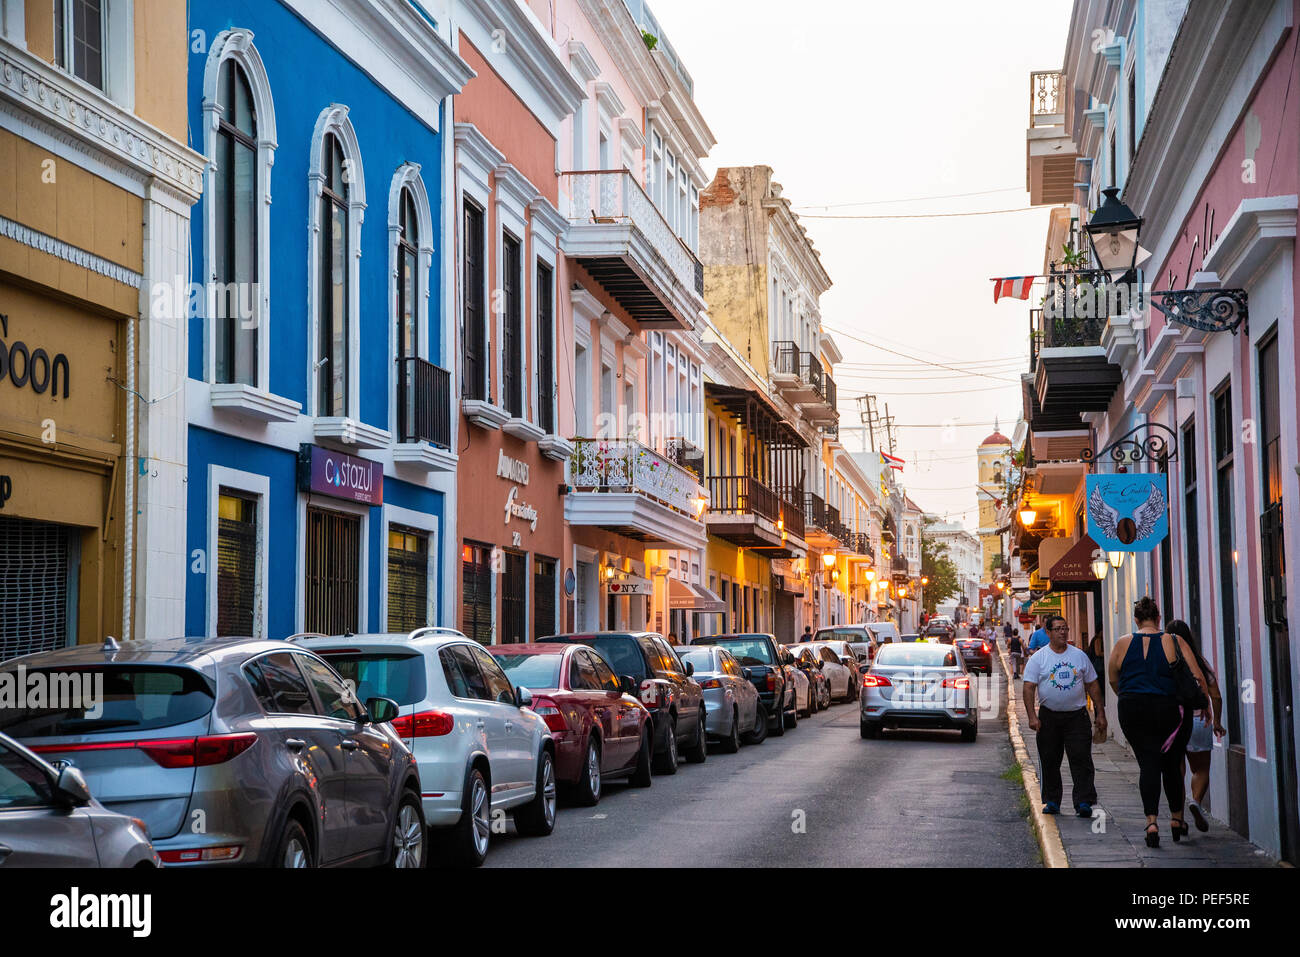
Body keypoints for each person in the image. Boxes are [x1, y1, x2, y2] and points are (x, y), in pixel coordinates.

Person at [1107, 598, 1208, 848]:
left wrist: (1129, 697)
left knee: (1147, 763)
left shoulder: (1122, 643)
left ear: (1136, 620)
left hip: (1132, 708)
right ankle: (1176, 819)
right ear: (1158, 618)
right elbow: (1197, 677)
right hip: (1169, 709)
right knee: (1172, 764)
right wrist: (1204, 703)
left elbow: (1112, 678)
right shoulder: (1174, 641)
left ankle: (1151, 822)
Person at [1023, 614, 1106, 817]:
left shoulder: (1079, 656)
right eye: (1058, 629)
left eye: (1065, 628)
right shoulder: (1039, 658)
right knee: (1050, 759)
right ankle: (1052, 800)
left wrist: (1100, 712)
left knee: (1081, 758)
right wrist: (1032, 717)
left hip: (1077, 717)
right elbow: (1028, 688)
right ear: (1048, 632)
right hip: (1049, 717)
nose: (1063, 632)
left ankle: (1084, 801)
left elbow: (1092, 684)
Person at [1166, 619, 1225, 833]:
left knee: (1177, 772)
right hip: (1200, 719)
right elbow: (1216, 695)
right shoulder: (1200, 662)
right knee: (1200, 769)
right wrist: (1216, 721)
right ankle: (1197, 802)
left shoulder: (1164, 662)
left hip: (1173, 722)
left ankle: (1178, 818)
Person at [1085, 629, 1106, 706]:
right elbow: (1098, 653)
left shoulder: (1095, 639)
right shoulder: (1097, 639)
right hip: (1098, 667)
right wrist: (1107, 653)